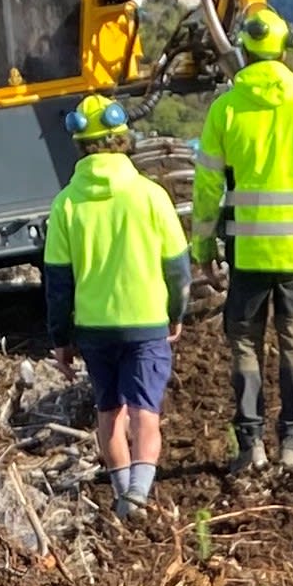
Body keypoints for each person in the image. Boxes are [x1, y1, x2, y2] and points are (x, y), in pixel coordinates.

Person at [191, 6, 293, 473]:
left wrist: (202, 247)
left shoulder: (225, 109)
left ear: (243, 51)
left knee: (244, 344)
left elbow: (206, 188)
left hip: (246, 254)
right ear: (286, 50)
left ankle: (250, 446)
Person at [42, 93, 189, 523]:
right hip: (146, 322)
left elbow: (58, 282)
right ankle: (138, 498)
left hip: (94, 326)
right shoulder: (151, 196)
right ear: (122, 139)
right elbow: (178, 269)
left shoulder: (67, 203)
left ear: (81, 145)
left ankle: (125, 498)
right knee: (146, 412)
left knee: (109, 410)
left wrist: (61, 338)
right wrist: (176, 312)